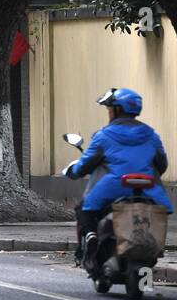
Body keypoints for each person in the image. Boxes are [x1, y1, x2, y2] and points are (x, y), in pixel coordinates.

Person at [64, 87, 171, 267]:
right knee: (157, 212)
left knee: (84, 209)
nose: (109, 113)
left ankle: (90, 235)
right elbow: (162, 165)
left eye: (109, 109)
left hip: (113, 187)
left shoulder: (103, 136)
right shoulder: (151, 135)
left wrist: (73, 171)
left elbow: (84, 165)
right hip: (148, 188)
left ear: (117, 109)